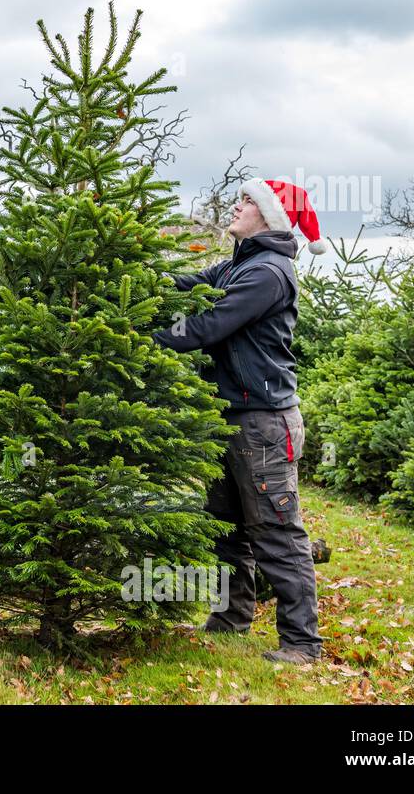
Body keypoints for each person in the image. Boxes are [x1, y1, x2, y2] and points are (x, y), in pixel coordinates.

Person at [152, 178, 326, 664]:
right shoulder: (239, 264)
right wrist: (134, 282)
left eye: (248, 200)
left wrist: (139, 336)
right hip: (229, 416)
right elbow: (190, 285)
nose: (237, 204)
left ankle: (302, 643)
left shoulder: (269, 272)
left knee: (275, 529)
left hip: (264, 423)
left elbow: (207, 327)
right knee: (226, 526)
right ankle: (231, 618)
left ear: (269, 216)